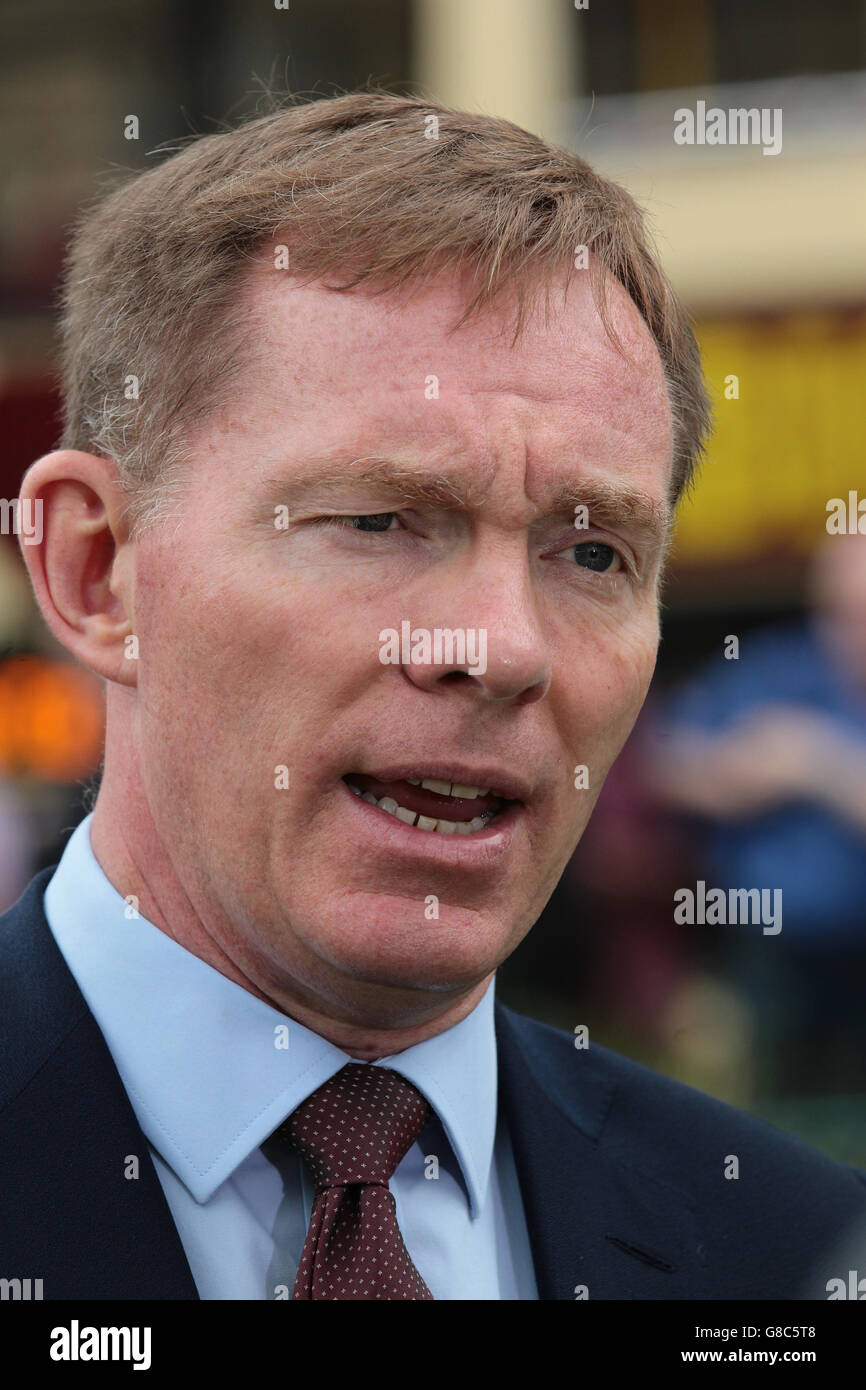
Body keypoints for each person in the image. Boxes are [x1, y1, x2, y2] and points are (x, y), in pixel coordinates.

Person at [2, 90, 863, 1301]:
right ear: (98, 570)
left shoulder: (792, 1260)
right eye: (378, 520)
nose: (503, 647)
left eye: (591, 553)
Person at [649, 533, 866, 1098]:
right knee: (753, 1111)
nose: (851, 632)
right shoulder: (776, 667)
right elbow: (666, 758)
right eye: (841, 613)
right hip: (768, 952)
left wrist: (817, 763)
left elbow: (811, 762)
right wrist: (729, 774)